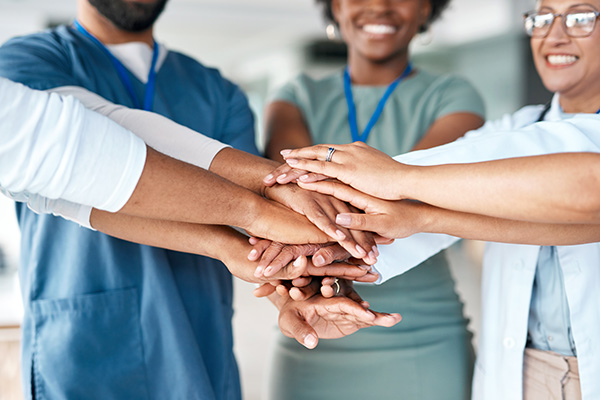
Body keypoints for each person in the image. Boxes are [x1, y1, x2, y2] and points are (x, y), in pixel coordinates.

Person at [0, 1, 384, 398]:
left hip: (195, 336)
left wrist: (294, 293)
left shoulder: (217, 90)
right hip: (83, 338)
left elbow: (253, 233)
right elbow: (90, 151)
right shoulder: (27, 61)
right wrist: (271, 190)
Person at [275, 0, 600, 398]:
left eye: (581, 17)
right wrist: (320, 261)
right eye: (543, 18)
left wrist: (401, 180)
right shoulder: (515, 129)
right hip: (521, 372)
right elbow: (440, 193)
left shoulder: (458, 99)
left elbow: (588, 189)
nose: (555, 34)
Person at [263, 0, 485, 398]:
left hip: (422, 336)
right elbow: (287, 197)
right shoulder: (295, 95)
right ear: (334, 7)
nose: (379, 6)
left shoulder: (454, 96)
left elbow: (416, 195)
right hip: (312, 323)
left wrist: (316, 198)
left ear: (426, 9)